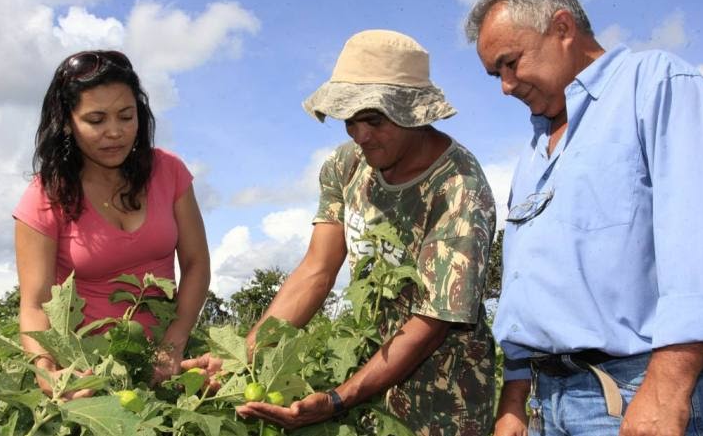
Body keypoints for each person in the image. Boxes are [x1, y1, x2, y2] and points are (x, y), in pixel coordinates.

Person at [185, 30, 497, 435]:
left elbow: (431, 321)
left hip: (443, 402)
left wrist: (337, 399)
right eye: (351, 120)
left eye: (374, 120)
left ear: (414, 114)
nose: (360, 135)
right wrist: (243, 356)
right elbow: (317, 269)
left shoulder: (459, 187)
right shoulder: (347, 166)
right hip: (361, 381)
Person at [465, 0, 703, 436]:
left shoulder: (656, 85)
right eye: (496, 74)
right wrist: (514, 403)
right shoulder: (535, 152)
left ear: (563, 29)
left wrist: (665, 393)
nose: (505, 86)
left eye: (510, 63)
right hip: (549, 403)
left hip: (638, 392)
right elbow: (525, 292)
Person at [14, 50, 210, 400]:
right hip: (88, 370)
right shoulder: (46, 196)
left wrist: (173, 343)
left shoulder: (169, 171)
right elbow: (34, 303)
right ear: (67, 122)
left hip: (169, 357)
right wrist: (47, 371)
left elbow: (196, 263)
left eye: (126, 116)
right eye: (96, 120)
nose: (115, 132)